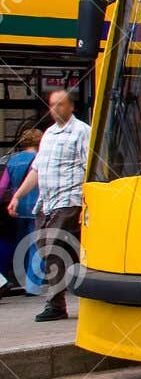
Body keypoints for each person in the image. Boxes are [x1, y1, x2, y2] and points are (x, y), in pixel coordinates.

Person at [8, 91, 90, 322]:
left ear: (71, 106)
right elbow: (37, 170)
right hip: (46, 203)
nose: (54, 109)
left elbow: (90, 166)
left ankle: (56, 305)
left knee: (55, 249)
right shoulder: (49, 135)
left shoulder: (81, 131)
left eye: (60, 104)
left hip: (69, 201)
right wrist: (18, 196)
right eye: (52, 105)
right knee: (49, 251)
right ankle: (84, 289)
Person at [0, 130, 44, 295]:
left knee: (21, 244)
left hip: (17, 208)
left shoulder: (12, 160)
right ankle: (33, 286)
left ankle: (22, 278)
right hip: (36, 207)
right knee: (36, 246)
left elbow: (3, 186)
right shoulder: (39, 159)